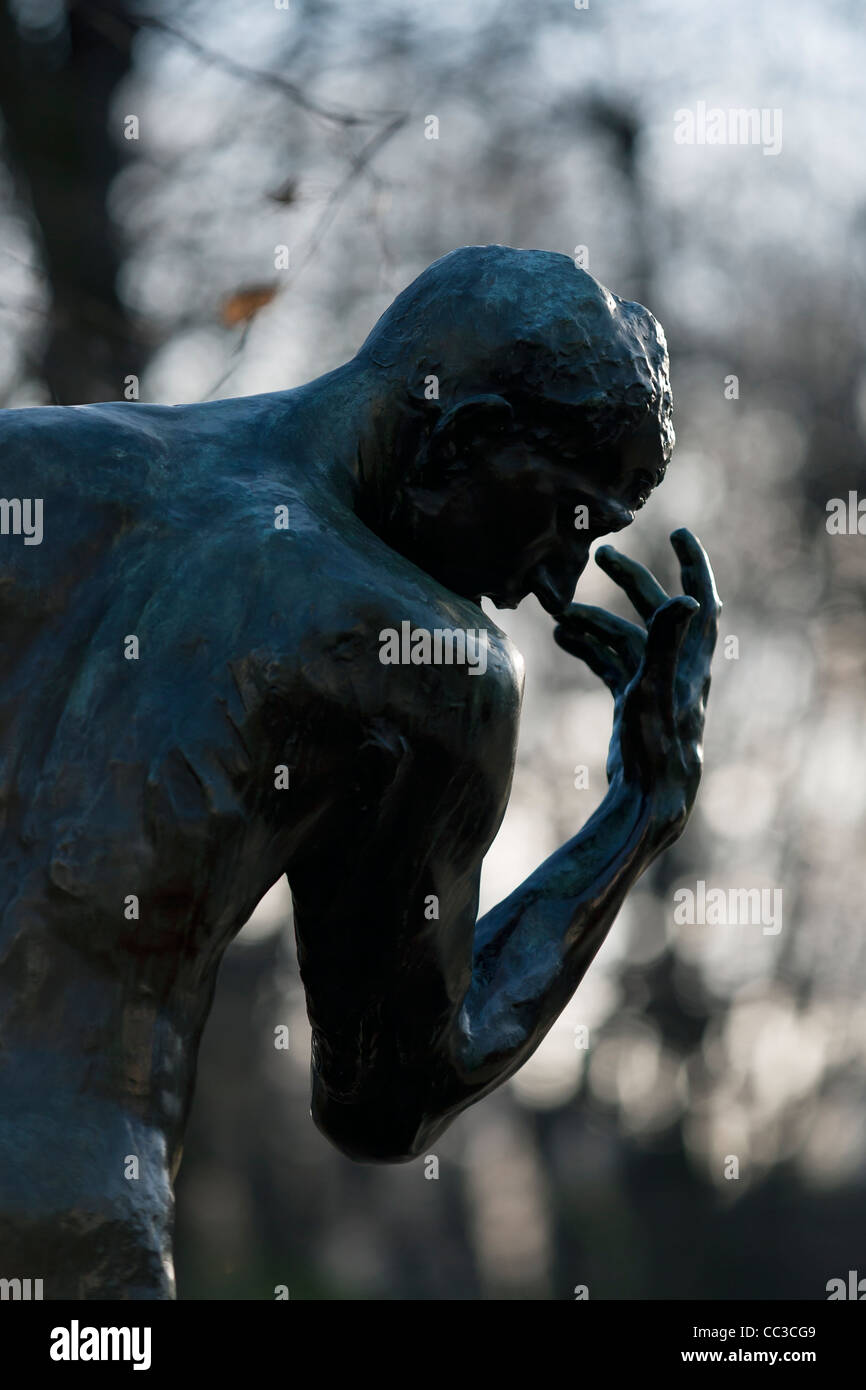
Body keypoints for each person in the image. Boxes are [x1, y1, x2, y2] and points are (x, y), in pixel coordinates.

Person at [0, 244, 719, 1297]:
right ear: (464, 437)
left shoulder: (27, 461)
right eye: (566, 521)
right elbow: (390, 1097)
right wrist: (639, 807)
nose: (560, 587)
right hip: (58, 1235)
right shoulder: (426, 661)